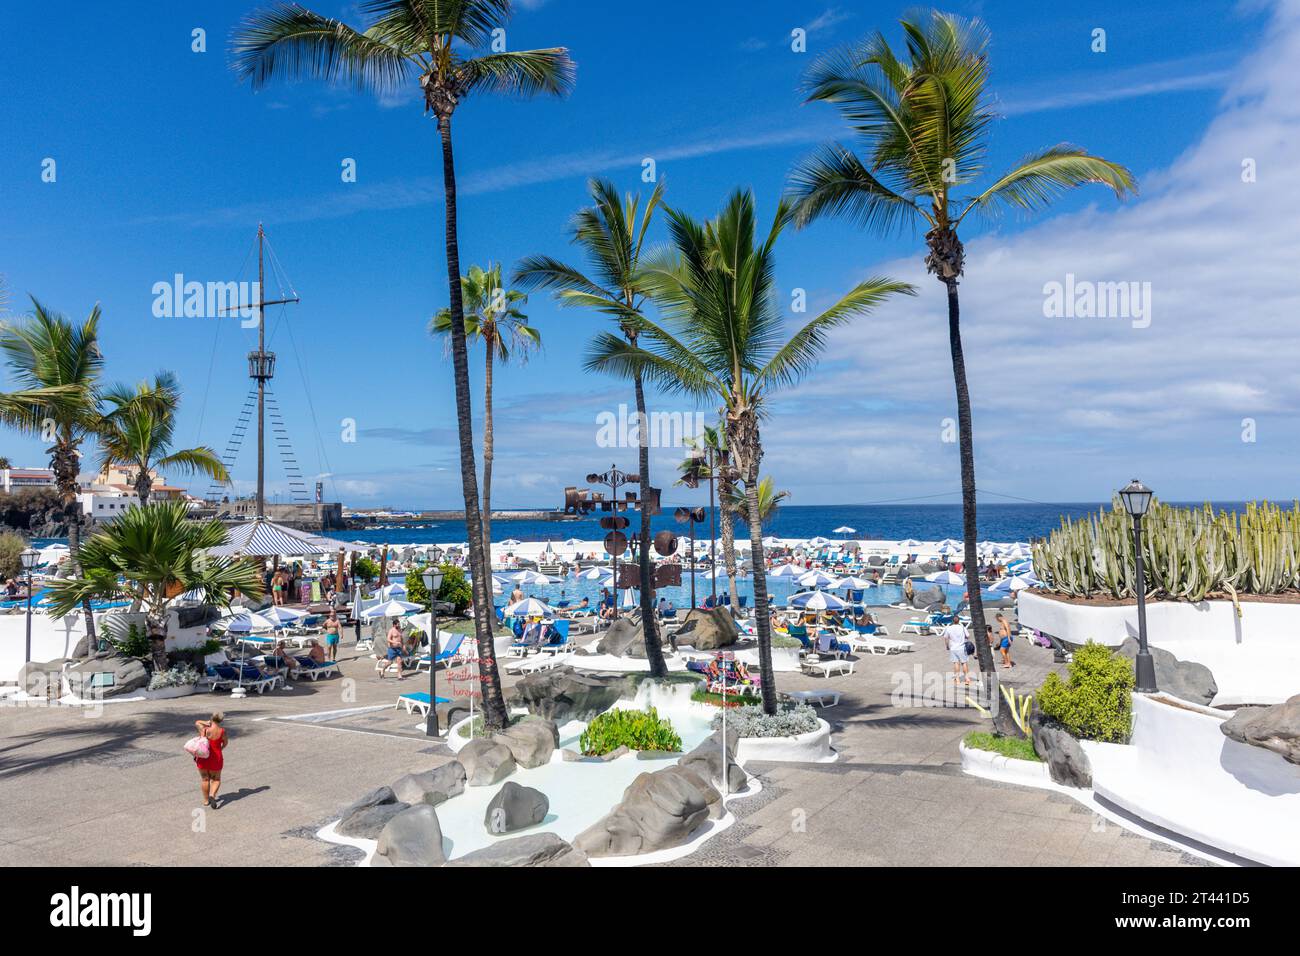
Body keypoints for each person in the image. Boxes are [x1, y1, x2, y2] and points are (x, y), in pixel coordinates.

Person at [193, 712, 228, 809]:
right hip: (216, 758)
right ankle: (212, 795)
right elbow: (225, 743)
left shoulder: (204, 729)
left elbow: (197, 722)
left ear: (212, 718)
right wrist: (220, 749)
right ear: (221, 720)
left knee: (205, 779)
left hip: (203, 757)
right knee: (216, 779)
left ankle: (205, 800)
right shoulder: (222, 731)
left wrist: (207, 722)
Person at [943, 617, 971, 686]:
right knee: (964, 663)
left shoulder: (949, 628)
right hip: (962, 648)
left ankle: (957, 679)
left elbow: (946, 638)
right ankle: (967, 679)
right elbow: (968, 636)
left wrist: (947, 646)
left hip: (953, 648)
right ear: (959, 621)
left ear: (952, 621)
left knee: (956, 663)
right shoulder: (962, 627)